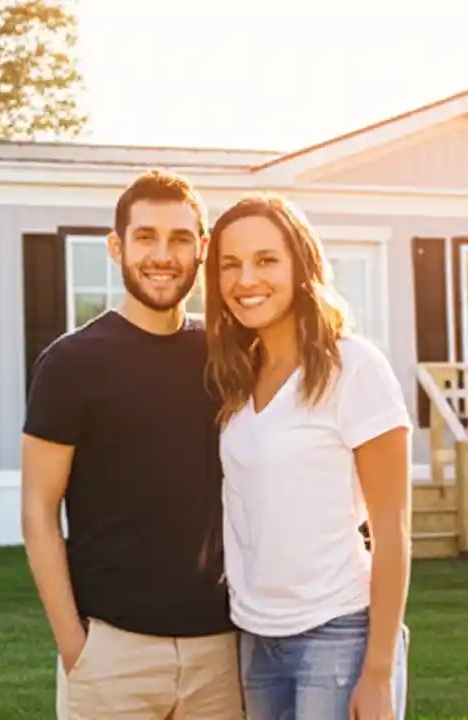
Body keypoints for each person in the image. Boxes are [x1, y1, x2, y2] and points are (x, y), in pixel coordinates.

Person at [21, 169, 241, 719]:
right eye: (145, 237)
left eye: (180, 238)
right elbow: (38, 510)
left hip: (221, 650)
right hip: (112, 652)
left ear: (203, 249)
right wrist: (75, 645)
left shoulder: (228, 356)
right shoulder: (70, 364)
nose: (162, 255)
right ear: (117, 248)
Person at [203, 193, 412, 720]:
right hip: (254, 633)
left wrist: (379, 673)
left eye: (266, 260)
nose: (246, 279)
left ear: (301, 266)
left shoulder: (354, 367)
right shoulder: (236, 376)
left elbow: (392, 529)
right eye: (231, 265)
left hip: (337, 631)